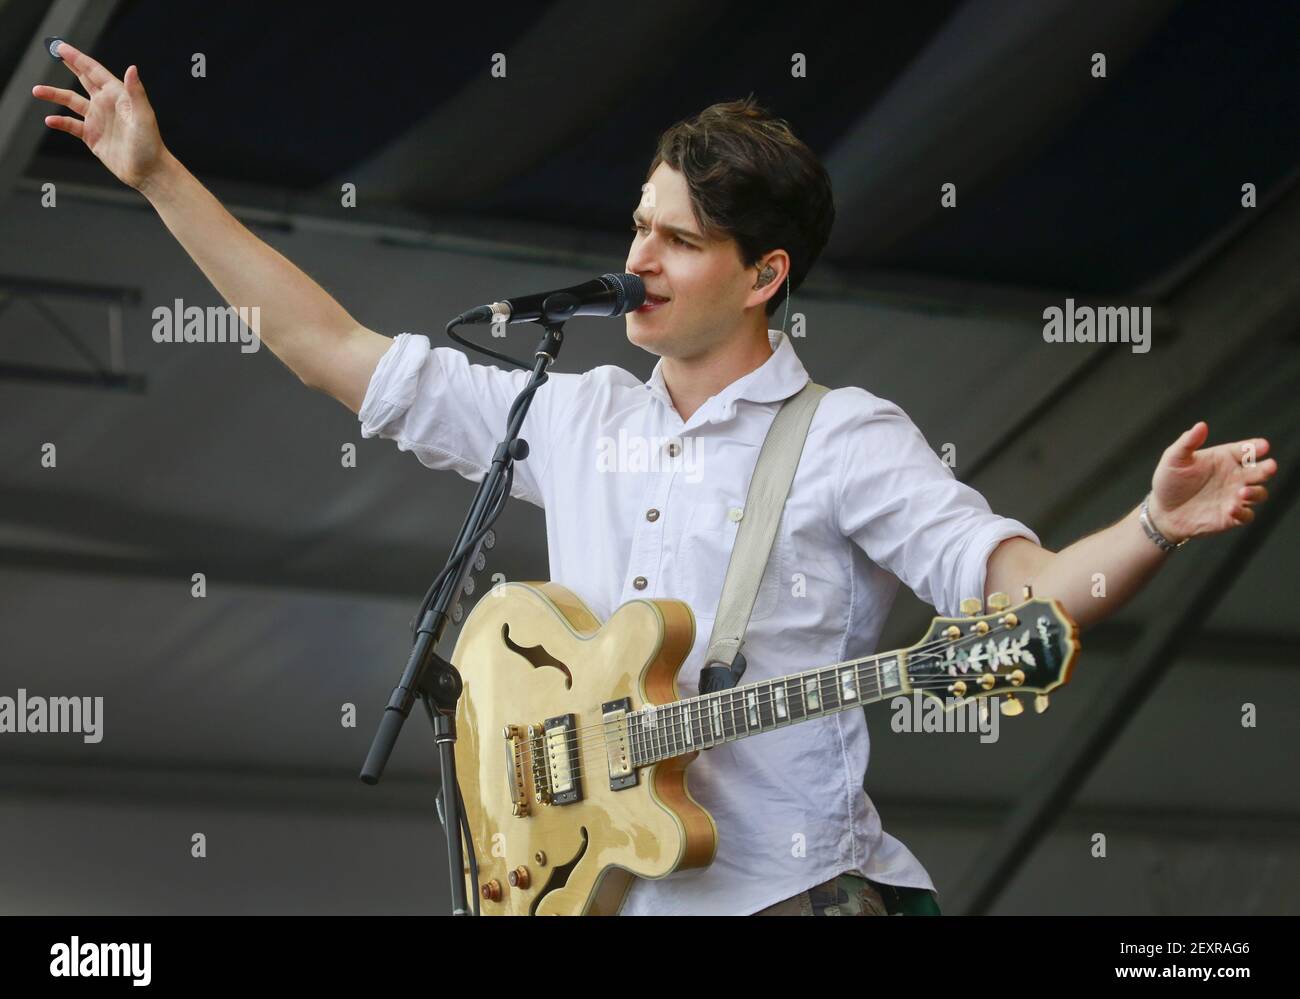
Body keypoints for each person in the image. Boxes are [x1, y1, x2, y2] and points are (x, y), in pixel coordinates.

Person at [35, 43, 1278, 917]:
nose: (637, 261)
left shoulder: (844, 436)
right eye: (638, 228)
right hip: (609, 897)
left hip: (790, 895)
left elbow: (1025, 592)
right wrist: (156, 176)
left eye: (679, 241)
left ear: (764, 274)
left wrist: (1150, 525)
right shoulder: (570, 415)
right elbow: (328, 351)